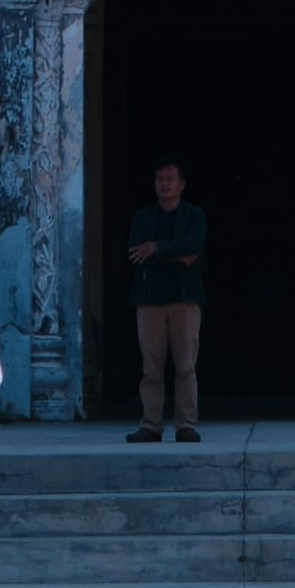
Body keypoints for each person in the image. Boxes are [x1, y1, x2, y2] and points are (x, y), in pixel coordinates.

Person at [123, 160, 207, 444]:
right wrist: (176, 254)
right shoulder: (143, 218)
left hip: (184, 300)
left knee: (186, 365)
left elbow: (194, 244)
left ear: (182, 183)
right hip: (149, 300)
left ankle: (186, 424)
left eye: (170, 178)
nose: (164, 184)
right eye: (160, 178)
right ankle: (151, 425)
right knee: (151, 367)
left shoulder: (194, 215)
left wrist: (157, 247)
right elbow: (136, 250)